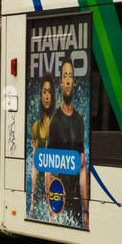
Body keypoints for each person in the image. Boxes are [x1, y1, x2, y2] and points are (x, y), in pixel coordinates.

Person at [45, 58, 88, 227]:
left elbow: (83, 166)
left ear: (74, 83)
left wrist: (86, 210)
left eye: (71, 75)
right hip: (60, 200)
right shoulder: (55, 120)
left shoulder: (79, 120)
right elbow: (48, 166)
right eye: (65, 76)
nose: (68, 79)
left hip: (76, 202)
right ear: (61, 83)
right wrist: (51, 209)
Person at [30, 75, 55, 214]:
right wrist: (32, 200)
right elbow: (34, 161)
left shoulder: (57, 123)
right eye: (44, 92)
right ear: (40, 96)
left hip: (52, 183)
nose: (46, 96)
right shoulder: (35, 127)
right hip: (40, 180)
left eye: (49, 92)